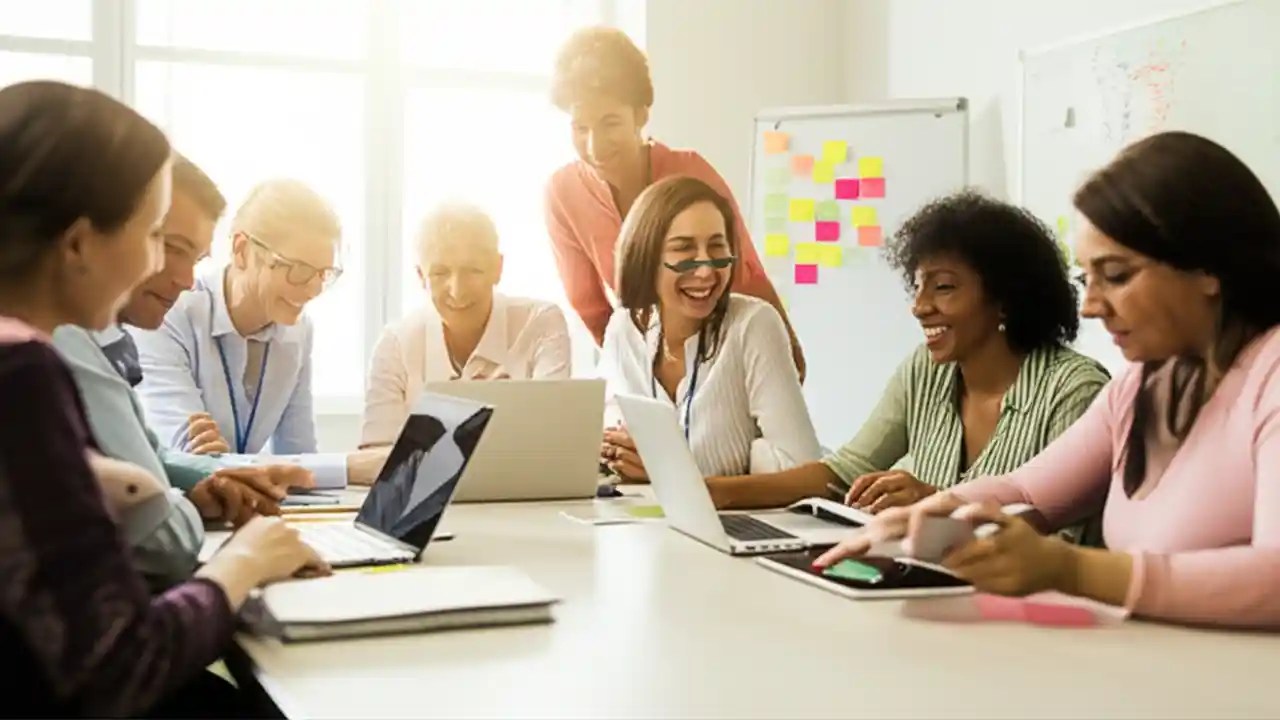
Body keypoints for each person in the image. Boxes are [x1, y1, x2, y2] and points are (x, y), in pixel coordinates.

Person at [816, 132, 1280, 629]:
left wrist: (1071, 569)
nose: (1092, 306)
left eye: (1118, 276)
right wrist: (930, 514)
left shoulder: (1269, 373)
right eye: (1088, 280)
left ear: (1208, 268)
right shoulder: (1144, 384)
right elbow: (1030, 491)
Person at [0, 79, 326, 717]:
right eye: (153, 235)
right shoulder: (23, 374)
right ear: (78, 243)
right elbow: (118, 666)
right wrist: (242, 564)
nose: (162, 269)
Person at [702, 192, 1109, 511]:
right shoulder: (927, 370)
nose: (919, 306)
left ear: (1005, 298)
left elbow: (1061, 540)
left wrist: (936, 504)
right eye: (917, 286)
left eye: (943, 287)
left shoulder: (1074, 391)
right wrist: (715, 493)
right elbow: (844, 473)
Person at [51, 155, 313, 590]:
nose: (188, 279)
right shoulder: (60, 340)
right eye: (167, 245)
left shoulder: (99, 336)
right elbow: (161, 539)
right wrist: (227, 540)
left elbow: (146, 458)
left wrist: (204, 480)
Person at [544, 26, 805, 378]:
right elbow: (591, 308)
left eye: (610, 123)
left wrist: (785, 352)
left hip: (724, 355)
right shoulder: (563, 193)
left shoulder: (690, 173)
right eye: (580, 128)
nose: (595, 146)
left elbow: (744, 274)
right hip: (644, 367)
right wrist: (638, 373)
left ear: (640, 116)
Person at [133, 178, 383, 486]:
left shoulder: (298, 331)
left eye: (324, 274)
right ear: (241, 251)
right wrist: (348, 467)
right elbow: (188, 464)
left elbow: (299, 453)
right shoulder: (168, 315)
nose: (315, 289)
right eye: (300, 270)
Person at [598, 176, 820, 480]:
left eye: (717, 247)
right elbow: (612, 444)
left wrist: (670, 472)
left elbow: (801, 471)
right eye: (684, 249)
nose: (706, 270)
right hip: (639, 519)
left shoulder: (754, 324)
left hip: (735, 526)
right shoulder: (623, 330)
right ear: (647, 257)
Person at [361, 202, 571, 448]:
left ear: (497, 268)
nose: (457, 291)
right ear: (421, 277)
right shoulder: (396, 343)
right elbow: (376, 453)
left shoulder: (540, 322)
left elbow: (550, 437)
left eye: (472, 270)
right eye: (440, 273)